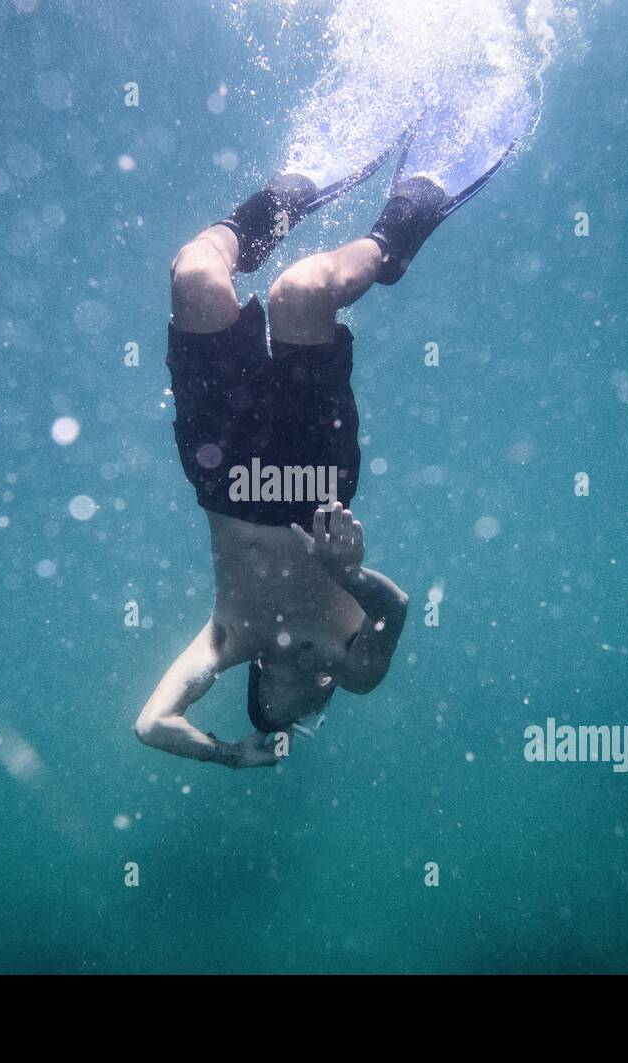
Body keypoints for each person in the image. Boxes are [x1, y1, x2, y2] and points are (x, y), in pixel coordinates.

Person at [134, 100, 530, 767]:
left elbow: (153, 723)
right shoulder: (356, 668)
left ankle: (289, 197)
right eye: (312, 716)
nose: (307, 707)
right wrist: (351, 573)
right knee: (302, 292)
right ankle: (397, 231)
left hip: (220, 474)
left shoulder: (226, 641)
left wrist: (231, 753)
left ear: (260, 686)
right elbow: (395, 608)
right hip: (311, 481)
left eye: (287, 717)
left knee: (195, 277)